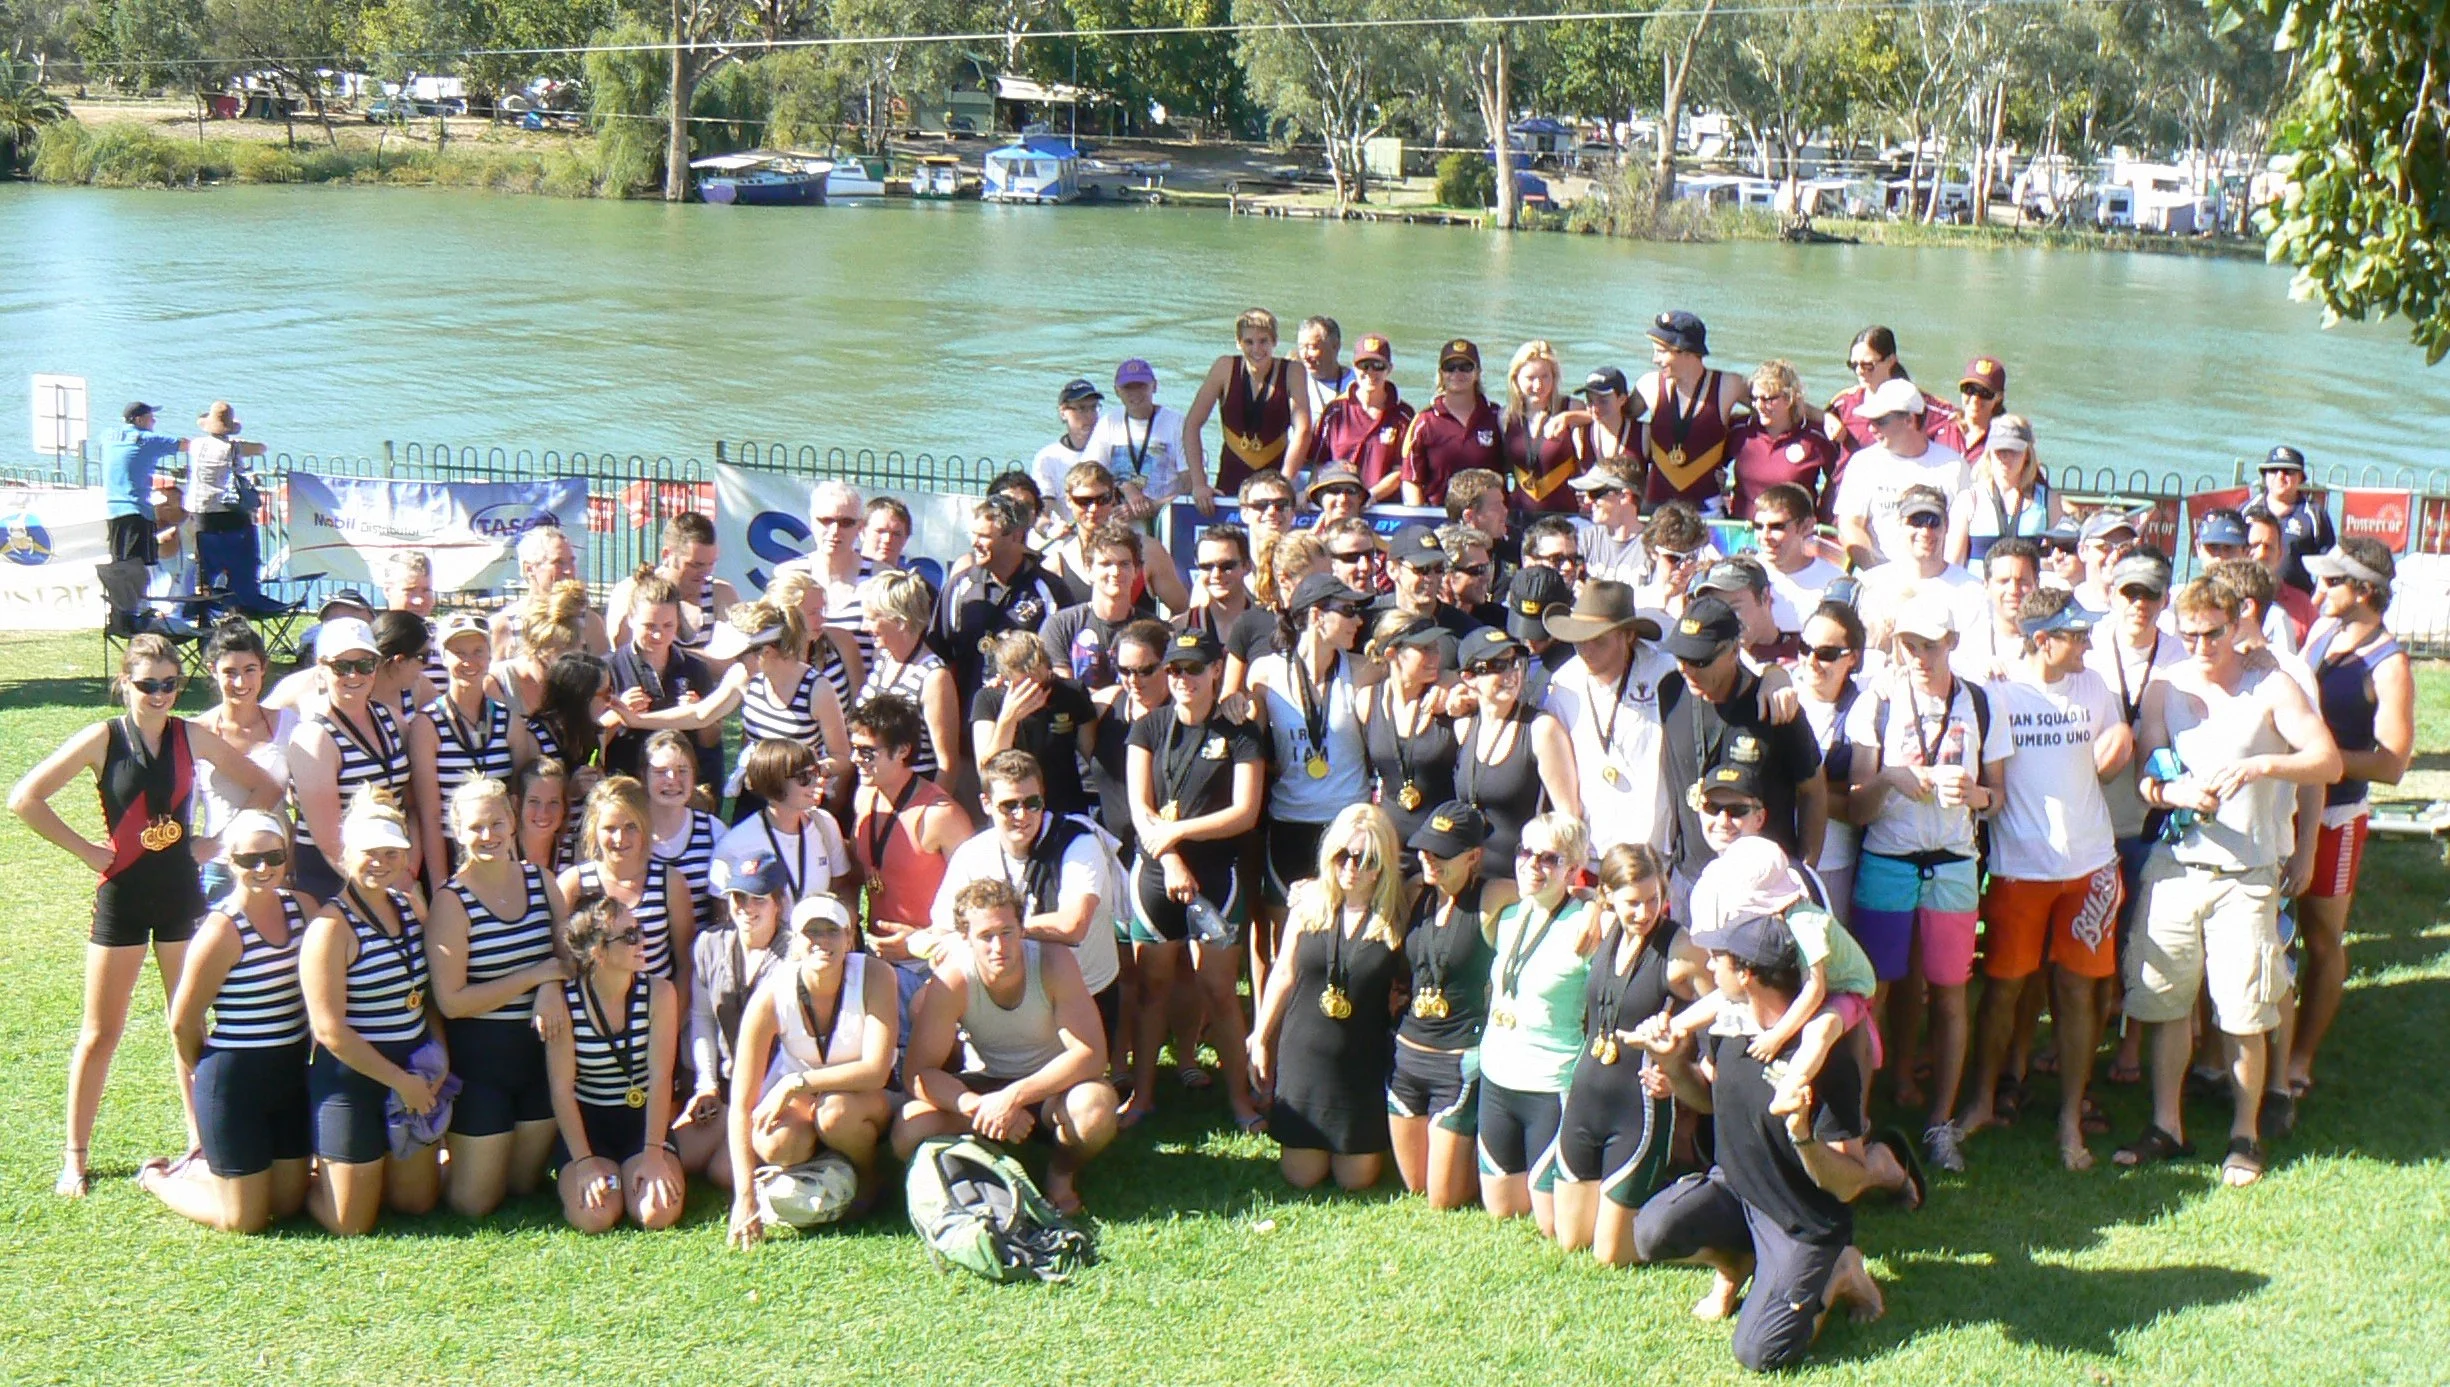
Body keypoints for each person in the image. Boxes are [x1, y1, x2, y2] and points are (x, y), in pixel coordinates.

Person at [12, 635, 279, 1197]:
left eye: (170, 684)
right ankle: (74, 1158)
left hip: (182, 894)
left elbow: (264, 786)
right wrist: (86, 850)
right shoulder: (102, 738)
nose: (160, 694)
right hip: (123, 897)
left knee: (187, 1023)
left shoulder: (190, 735)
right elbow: (25, 798)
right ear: (124, 683)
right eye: (147, 684)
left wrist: (216, 842)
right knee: (100, 1031)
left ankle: (200, 1142)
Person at [2121, 576, 2340, 1187]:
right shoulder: (2166, 686)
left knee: (2244, 1010)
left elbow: (2329, 760)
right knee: (2165, 1003)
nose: (2200, 645)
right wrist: (2173, 793)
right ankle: (2167, 1127)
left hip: (2247, 872)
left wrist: (2264, 764)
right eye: (2188, 634)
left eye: (2212, 632)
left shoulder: (2273, 685)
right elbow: (2147, 772)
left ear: (2238, 622)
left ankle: (2245, 1135)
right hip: (2176, 866)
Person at [1630, 913, 1898, 1375]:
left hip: (1804, 1223)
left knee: (1760, 1353)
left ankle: (1841, 1272)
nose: (1710, 968)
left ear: (1747, 974)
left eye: (1719, 960)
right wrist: (1674, 1065)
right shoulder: (1731, 1028)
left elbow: (1849, 1184)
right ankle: (1738, 1262)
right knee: (1653, 1231)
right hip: (1737, 1192)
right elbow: (1710, 1100)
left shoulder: (1827, 1060)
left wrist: (1803, 1135)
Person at [1954, 592, 2129, 1169]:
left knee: (2080, 992)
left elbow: (2114, 746)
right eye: (2076, 635)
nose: (2087, 644)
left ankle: (2069, 1118)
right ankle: (1981, 1102)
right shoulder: (1996, 691)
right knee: (2003, 988)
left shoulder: (2095, 687)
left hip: (2091, 866)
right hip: (2019, 868)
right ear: (2041, 639)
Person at [1844, 597, 2011, 1172]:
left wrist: (1976, 796)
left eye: (1930, 645)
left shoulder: (1982, 703)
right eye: (1909, 644)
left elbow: (1999, 796)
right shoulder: (1878, 703)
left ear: (1952, 645)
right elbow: (1858, 808)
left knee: (1949, 993)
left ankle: (1941, 1125)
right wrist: (1890, 779)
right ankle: (1857, 1124)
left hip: (1955, 865)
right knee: (1874, 993)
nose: (1918, 656)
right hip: (1887, 859)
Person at [895, 879, 1121, 1214]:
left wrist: (1014, 1098)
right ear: (965, 940)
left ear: (1022, 930)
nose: (999, 947)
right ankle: (980, 1168)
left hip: (1054, 1089)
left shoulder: (1053, 963)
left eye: (1007, 932)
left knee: (1095, 1110)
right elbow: (918, 1073)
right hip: (987, 1084)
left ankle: (1060, 1174)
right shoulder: (952, 980)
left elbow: (1091, 1055)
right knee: (907, 1130)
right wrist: (978, 1106)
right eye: (986, 937)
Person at [1121, 630, 1268, 1130]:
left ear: (1214, 670)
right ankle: (1141, 1098)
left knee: (1221, 991)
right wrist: (1172, 858)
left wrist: (1179, 832)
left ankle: (1241, 1099)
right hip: (1158, 875)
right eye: (1175, 669)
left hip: (1217, 876)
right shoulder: (1148, 727)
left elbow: (1244, 813)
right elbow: (1140, 808)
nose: (1183, 679)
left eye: (1193, 668)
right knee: (1151, 989)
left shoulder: (1241, 733)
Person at [139, 812, 310, 1232]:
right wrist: (207, 1071)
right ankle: (158, 1178)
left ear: (287, 856)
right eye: (249, 859)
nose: (262, 868)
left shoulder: (303, 908)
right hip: (235, 1081)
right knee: (243, 1221)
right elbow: (183, 1022)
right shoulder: (221, 929)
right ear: (229, 862)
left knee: (289, 1205)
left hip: (291, 1072)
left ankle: (217, 1171)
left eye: (273, 856)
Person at [2289, 541, 2414, 1098]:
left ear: (2364, 591)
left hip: (2336, 814)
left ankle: (2300, 1060)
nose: (2317, 594)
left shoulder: (2389, 666)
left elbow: (2393, 763)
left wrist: (2318, 759)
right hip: (2292, 807)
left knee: (2322, 938)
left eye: (2330, 584)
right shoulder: (2323, 634)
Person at [427, 777, 573, 1216]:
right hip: (480, 1064)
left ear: (512, 822)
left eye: (495, 823)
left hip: (540, 1056)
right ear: (457, 831)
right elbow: (451, 1001)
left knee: (522, 1187)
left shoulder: (542, 880)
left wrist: (548, 984)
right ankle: (425, 1166)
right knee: (476, 1203)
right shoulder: (451, 902)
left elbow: (567, 958)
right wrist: (535, 975)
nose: (487, 836)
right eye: (475, 827)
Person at [299, 790, 443, 1235]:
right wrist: (401, 1083)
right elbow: (329, 1032)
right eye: (368, 853)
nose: (380, 862)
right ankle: (299, 1185)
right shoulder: (329, 927)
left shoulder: (409, 908)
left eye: (390, 853)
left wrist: (438, 1057)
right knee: (351, 1224)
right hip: (352, 1078)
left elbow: (427, 996)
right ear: (346, 856)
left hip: (411, 1071)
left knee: (417, 1203)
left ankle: (360, 1168)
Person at [1554, 844, 1704, 1265]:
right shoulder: (1602, 923)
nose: (1645, 912)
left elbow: (1725, 1005)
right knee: (1569, 1239)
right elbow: (1574, 894)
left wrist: (1681, 1053)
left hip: (1637, 1106)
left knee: (1610, 1256)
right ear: (1608, 897)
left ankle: (1706, 1225)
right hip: (1585, 1098)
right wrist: (1588, 907)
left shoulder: (1679, 948)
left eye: (1654, 899)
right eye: (1632, 903)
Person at [722, 894, 899, 1246]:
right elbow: (741, 1104)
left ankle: (869, 1178)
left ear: (850, 939)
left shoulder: (876, 976)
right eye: (811, 932)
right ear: (795, 941)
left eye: (832, 931)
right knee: (775, 1141)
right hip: (806, 1105)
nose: (822, 941)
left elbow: (876, 1071)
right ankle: (820, 1172)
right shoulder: (772, 994)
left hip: (865, 1101)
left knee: (835, 1114)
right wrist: (744, 1198)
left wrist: (795, 1083)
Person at [1251, 804, 1407, 1190]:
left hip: (1361, 1067)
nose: (1352, 867)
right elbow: (1283, 972)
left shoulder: (1399, 914)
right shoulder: (1307, 903)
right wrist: (1260, 1036)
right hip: (1305, 1057)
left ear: (1384, 863)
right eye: (1343, 855)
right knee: (1301, 1177)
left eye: (1366, 858)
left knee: (1356, 1181)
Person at [930, 747, 1122, 1044]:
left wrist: (997, 932)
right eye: (1009, 806)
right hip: (1007, 992)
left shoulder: (1079, 842)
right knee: (925, 1000)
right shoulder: (973, 854)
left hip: (1084, 993)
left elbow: (1073, 926)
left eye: (1033, 803)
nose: (1023, 815)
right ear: (986, 804)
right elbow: (943, 930)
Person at [1385, 804, 1515, 1210]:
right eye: (1425, 850)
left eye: (1441, 854)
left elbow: (1552, 894)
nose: (1429, 860)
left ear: (1473, 856)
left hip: (1457, 1062)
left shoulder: (1492, 896)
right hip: (1406, 1056)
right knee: (1415, 1188)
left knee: (1443, 1200)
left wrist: (1592, 905)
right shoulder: (1414, 891)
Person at [1476, 812, 1598, 1235]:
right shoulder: (1506, 913)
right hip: (1497, 1076)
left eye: (1549, 858)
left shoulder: (1589, 925)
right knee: (1501, 1210)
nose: (1532, 865)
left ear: (1573, 868)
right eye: (1526, 852)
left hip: (1550, 1083)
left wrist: (1597, 902)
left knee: (1552, 1227)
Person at [1661, 595, 1825, 890]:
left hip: (1764, 885)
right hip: (1692, 879)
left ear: (1734, 651)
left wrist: (1804, 872)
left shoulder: (1775, 707)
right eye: (1680, 657)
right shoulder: (1671, 691)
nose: (1687, 669)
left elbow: (1813, 791)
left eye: (1699, 660)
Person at [545, 897, 686, 1232]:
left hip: (643, 1124)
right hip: (589, 1126)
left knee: (657, 1214)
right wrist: (584, 1163)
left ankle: (634, 1170)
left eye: (639, 930)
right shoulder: (564, 1001)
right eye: (630, 936)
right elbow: (562, 1090)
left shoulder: (660, 993)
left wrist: (653, 1155)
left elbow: (661, 1076)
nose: (643, 941)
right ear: (598, 951)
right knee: (595, 1217)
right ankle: (598, 1177)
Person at [1249, 574, 1380, 926]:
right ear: (1317, 616)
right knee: (1287, 936)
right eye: (1348, 611)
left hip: (1347, 824)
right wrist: (1235, 703)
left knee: (1345, 929)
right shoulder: (1265, 673)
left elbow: (1423, 675)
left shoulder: (1364, 671)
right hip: (1290, 824)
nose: (1358, 621)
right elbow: (1242, 719)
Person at [289, 617, 436, 901]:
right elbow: (330, 842)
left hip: (394, 874)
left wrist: (408, 870)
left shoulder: (392, 720)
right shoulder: (314, 737)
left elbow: (412, 806)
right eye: (342, 666)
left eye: (364, 665)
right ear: (322, 668)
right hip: (335, 881)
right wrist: (386, 886)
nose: (353, 676)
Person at [678, 851, 794, 1186]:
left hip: (773, 1087)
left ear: (778, 902)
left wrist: (755, 1100)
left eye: (758, 898)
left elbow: (793, 1043)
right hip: (726, 1086)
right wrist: (706, 1084)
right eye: (738, 897)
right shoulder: (709, 944)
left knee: (724, 1173)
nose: (746, 907)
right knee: (680, 1155)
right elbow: (701, 1018)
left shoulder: (795, 954)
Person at [1542, 581, 1677, 857]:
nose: (1587, 651)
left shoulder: (1666, 675)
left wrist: (1775, 672)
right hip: (1593, 845)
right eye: (1580, 642)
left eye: (1599, 641)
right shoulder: (1564, 683)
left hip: (1656, 845)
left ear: (1628, 636)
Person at [691, 601, 849, 818]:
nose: (735, 661)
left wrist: (803, 773)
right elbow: (700, 715)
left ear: (764, 652)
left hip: (797, 803)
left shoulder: (818, 690)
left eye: (740, 655)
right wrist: (638, 719)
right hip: (753, 797)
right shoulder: (744, 676)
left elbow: (840, 756)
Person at [1452, 627, 1581, 865]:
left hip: (1522, 877)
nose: (1511, 674)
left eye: (1515, 663)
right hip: (1470, 874)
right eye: (1498, 666)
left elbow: (1568, 816)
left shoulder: (1541, 729)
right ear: (1469, 678)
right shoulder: (1464, 728)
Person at [190, 620, 298, 903]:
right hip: (220, 863)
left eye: (250, 670)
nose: (241, 683)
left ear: (263, 668)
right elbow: (183, 807)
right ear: (212, 671)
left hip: (275, 862)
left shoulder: (288, 724)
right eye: (230, 672)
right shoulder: (195, 732)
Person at [568, 775, 702, 997]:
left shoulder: (670, 882)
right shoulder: (574, 883)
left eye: (631, 826)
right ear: (594, 829)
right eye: (610, 828)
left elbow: (685, 966)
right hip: (591, 1015)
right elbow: (565, 962)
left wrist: (670, 1023)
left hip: (656, 1012)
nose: (620, 838)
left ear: (645, 826)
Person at [426, 614, 538, 865]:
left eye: (478, 651)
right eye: (459, 653)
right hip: (454, 850)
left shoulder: (509, 720)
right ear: (444, 658)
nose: (469, 661)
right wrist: (439, 882)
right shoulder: (428, 723)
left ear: (489, 656)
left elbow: (518, 797)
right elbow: (431, 814)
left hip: (502, 850)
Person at [936, 494, 1066, 708]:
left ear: (1016, 536)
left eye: (984, 536)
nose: (974, 543)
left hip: (1031, 720)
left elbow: (1059, 663)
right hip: (969, 718)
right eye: (973, 534)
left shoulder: (1050, 589)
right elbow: (941, 656)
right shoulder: (960, 587)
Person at [1831, 378, 1969, 570]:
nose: (1871, 428)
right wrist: (1878, 572)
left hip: (1938, 578)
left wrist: (1945, 576)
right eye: (1870, 421)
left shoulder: (1954, 466)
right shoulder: (1863, 463)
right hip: (1879, 575)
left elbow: (1959, 531)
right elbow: (1850, 526)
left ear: (1909, 420)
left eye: (1880, 421)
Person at [603, 569, 723, 785]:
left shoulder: (695, 669)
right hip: (626, 784)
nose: (659, 635)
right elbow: (589, 742)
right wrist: (618, 716)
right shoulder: (607, 669)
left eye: (668, 626)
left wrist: (700, 715)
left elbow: (711, 742)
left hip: (677, 785)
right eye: (649, 626)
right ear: (630, 619)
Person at [856, 569, 963, 795]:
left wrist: (931, 813)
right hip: (873, 793)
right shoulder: (883, 658)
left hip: (913, 796)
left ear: (900, 621)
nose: (864, 627)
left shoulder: (934, 677)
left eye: (873, 618)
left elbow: (948, 764)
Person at [972, 631, 1099, 820]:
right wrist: (1009, 718)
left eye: (1042, 685)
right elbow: (986, 768)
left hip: (1064, 805)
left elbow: (1092, 756)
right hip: (1014, 809)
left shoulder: (1071, 693)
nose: (1036, 694)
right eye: (1025, 687)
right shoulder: (989, 699)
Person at [1358, 612, 1458, 850]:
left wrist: (1452, 680)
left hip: (1441, 843)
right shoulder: (1367, 701)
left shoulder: (1449, 701)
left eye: (1436, 647)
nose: (1436, 656)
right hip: (1390, 845)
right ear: (1392, 654)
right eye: (1424, 649)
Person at [1792, 602, 1867, 922]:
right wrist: (1821, 788)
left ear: (1852, 658)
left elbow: (1860, 805)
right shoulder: (1780, 694)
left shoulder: (1865, 709)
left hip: (1836, 862)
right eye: (1804, 647)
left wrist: (1802, 788)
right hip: (1780, 857)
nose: (1811, 660)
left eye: (1826, 653)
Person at [1183, 307, 1309, 497]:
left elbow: (1303, 430)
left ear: (1275, 341)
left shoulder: (1293, 372)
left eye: (1263, 341)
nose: (1257, 349)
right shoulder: (1224, 368)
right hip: (1230, 480)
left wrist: (1285, 482)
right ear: (1238, 343)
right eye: (1249, 342)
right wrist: (1199, 484)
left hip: (1275, 482)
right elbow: (1192, 424)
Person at [1636, 310, 1750, 512]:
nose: (1655, 359)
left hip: (1707, 510)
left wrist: (1825, 418)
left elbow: (1780, 408)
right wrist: (1570, 416)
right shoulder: (1648, 385)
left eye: (1661, 352)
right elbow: (1611, 416)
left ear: (1686, 351)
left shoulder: (1728, 385)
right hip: (1655, 507)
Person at [712, 740, 846, 910]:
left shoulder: (825, 824)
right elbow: (723, 910)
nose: (816, 782)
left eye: (816, 772)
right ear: (774, 782)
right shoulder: (736, 843)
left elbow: (840, 886)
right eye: (804, 777)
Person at [1042, 463, 1190, 615]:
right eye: (1084, 501)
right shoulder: (1056, 564)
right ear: (1068, 500)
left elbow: (1184, 612)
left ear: (1112, 498)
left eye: (1102, 499)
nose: (1093, 509)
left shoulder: (1148, 551)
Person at [775, 479, 882, 675]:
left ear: (860, 527)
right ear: (810, 521)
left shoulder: (880, 577)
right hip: (800, 692)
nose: (834, 531)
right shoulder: (788, 574)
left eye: (845, 523)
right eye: (825, 520)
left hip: (862, 694)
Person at [1041, 519, 1160, 690]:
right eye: (1105, 564)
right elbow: (1064, 693)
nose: (1115, 572)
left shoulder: (1154, 630)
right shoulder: (1060, 625)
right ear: (1089, 569)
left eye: (1124, 564)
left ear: (1137, 571)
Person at [184, 401, 274, 617]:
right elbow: (261, 448)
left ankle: (204, 610)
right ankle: (243, 605)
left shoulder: (196, 445)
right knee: (243, 564)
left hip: (202, 515)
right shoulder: (234, 447)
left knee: (205, 568)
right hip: (231, 514)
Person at [607, 512, 738, 653]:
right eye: (695, 565)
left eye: (710, 564)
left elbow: (730, 659)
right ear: (666, 555)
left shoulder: (721, 594)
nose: (705, 573)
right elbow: (623, 653)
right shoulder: (633, 590)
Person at [1728, 361, 1840, 520]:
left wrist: (1825, 519)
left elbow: (1839, 480)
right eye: (1755, 398)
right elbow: (1709, 463)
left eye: (1768, 399)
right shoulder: (1739, 430)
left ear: (1789, 399)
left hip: (1795, 537)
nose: (1759, 406)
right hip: (1741, 533)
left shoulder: (1815, 437)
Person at [1401, 338, 1505, 508]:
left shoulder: (1496, 416)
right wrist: (1421, 518)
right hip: (1439, 516)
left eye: (1465, 367)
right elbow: (1411, 479)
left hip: (1488, 518)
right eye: (1450, 368)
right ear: (1441, 373)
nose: (1457, 373)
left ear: (1477, 372)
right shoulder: (1425, 421)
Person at [1086, 358, 1191, 524]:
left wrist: (1151, 507)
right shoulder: (1109, 423)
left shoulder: (1177, 424)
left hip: (1165, 517)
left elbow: (1190, 486)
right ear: (1116, 390)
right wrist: (1126, 487)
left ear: (1154, 386)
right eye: (1127, 387)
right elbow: (1090, 475)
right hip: (1119, 517)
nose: (1134, 393)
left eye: (1141, 386)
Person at [1823, 325, 1954, 457]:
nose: (1859, 371)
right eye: (1853, 365)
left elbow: (1956, 419)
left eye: (1868, 365)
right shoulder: (1844, 403)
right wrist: (1825, 417)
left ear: (1891, 361)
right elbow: (1806, 413)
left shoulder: (1919, 406)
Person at [1177, 524, 1276, 697]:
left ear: (1246, 566)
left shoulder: (1271, 624)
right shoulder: (1180, 627)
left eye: (1227, 565)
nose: (1216, 574)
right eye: (1207, 567)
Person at [1313, 333, 1413, 501]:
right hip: (1340, 502)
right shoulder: (1335, 411)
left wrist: (1369, 497)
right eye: (1364, 365)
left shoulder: (1404, 415)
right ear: (1354, 367)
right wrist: (1311, 490)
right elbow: (1320, 462)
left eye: (1378, 365)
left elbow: (1401, 470)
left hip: (1382, 507)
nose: (1370, 372)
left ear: (1389, 368)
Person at [1949, 415, 2058, 568]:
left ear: (2027, 454)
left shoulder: (2048, 501)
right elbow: (1954, 563)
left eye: (2014, 451)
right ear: (1989, 453)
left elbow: (2059, 561)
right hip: (1978, 589)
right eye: (1999, 451)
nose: (2005, 457)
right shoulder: (1969, 500)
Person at [489, 525, 610, 658]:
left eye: (572, 562)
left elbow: (603, 673)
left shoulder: (589, 621)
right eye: (558, 563)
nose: (569, 571)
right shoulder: (506, 624)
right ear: (529, 569)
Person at [101, 401, 191, 579]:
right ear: (140, 420)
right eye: (151, 418)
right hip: (136, 510)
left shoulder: (108, 435)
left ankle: (122, 604)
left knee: (120, 564)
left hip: (113, 510)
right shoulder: (149, 440)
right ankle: (137, 605)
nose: (154, 422)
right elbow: (185, 446)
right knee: (138, 566)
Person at [642, 730, 724, 910]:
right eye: (661, 772)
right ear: (644, 776)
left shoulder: (713, 831)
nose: (672, 780)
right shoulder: (629, 831)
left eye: (682, 770)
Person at [1502, 340, 1584, 514]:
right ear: (1516, 378)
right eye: (1530, 378)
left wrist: (1571, 417)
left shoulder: (1571, 408)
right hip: (1519, 514)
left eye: (1545, 377)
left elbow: (1607, 416)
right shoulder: (1506, 417)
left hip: (1564, 515)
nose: (1538, 386)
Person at [1949, 538, 2043, 682]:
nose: (2013, 590)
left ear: (2036, 584)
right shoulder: (1967, 642)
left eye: (2023, 581)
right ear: (1986, 585)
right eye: (2004, 581)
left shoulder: (2049, 642)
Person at [1374, 523, 1484, 640]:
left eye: (1438, 569)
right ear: (1392, 569)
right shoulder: (1369, 617)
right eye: (1422, 569)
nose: (1431, 579)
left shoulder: (1467, 631)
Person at [2255, 446, 2332, 594]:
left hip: (2298, 601)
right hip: (2252, 597)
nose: (2280, 476)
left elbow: (2327, 567)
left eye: (2288, 472)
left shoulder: (2315, 515)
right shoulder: (2247, 511)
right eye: (2273, 470)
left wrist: (2312, 606)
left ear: (2301, 477)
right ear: (2265, 476)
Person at [2244, 505, 2320, 640]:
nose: (2261, 554)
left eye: (2269, 547)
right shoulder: (2222, 599)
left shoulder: (2303, 605)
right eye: (2253, 546)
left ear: (2281, 553)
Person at [1567, 463, 1647, 591]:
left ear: (1625, 496)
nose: (1587, 501)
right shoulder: (1585, 540)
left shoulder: (1654, 547)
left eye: (1594, 493)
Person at [1935, 355, 2007, 457]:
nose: (1975, 399)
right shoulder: (1940, 423)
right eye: (1969, 389)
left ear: (1999, 397)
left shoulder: (2005, 443)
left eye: (1984, 393)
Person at [1573, 366, 1644, 467]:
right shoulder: (1580, 435)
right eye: (1590, 400)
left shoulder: (1642, 434)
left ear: (1622, 399)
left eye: (1603, 401)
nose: (1595, 408)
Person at [515, 757, 574, 876]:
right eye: (534, 801)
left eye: (553, 802)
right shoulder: (503, 853)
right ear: (517, 804)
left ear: (565, 807)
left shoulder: (574, 854)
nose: (543, 813)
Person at [1297, 314, 1356, 420]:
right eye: (1301, 347)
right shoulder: (1295, 381)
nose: (1305, 355)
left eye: (1312, 347)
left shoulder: (1357, 384)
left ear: (1335, 346)